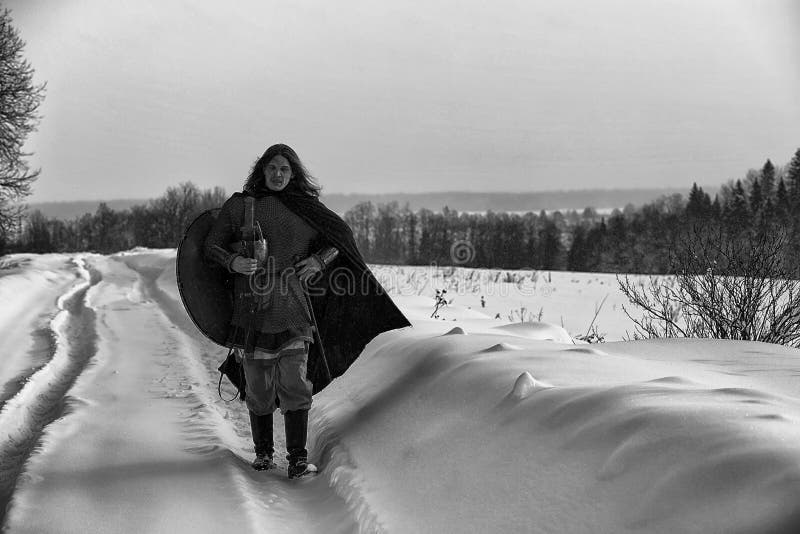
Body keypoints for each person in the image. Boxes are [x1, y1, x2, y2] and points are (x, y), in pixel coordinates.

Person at [204, 143, 410, 478]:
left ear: (294, 173)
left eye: (285, 169)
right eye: (272, 168)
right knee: (258, 386)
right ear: (262, 170)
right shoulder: (240, 206)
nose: (278, 174)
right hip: (252, 308)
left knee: (294, 382)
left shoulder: (306, 209)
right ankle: (263, 455)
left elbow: (340, 238)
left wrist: (319, 260)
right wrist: (233, 261)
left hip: (293, 305)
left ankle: (298, 458)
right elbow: (210, 245)